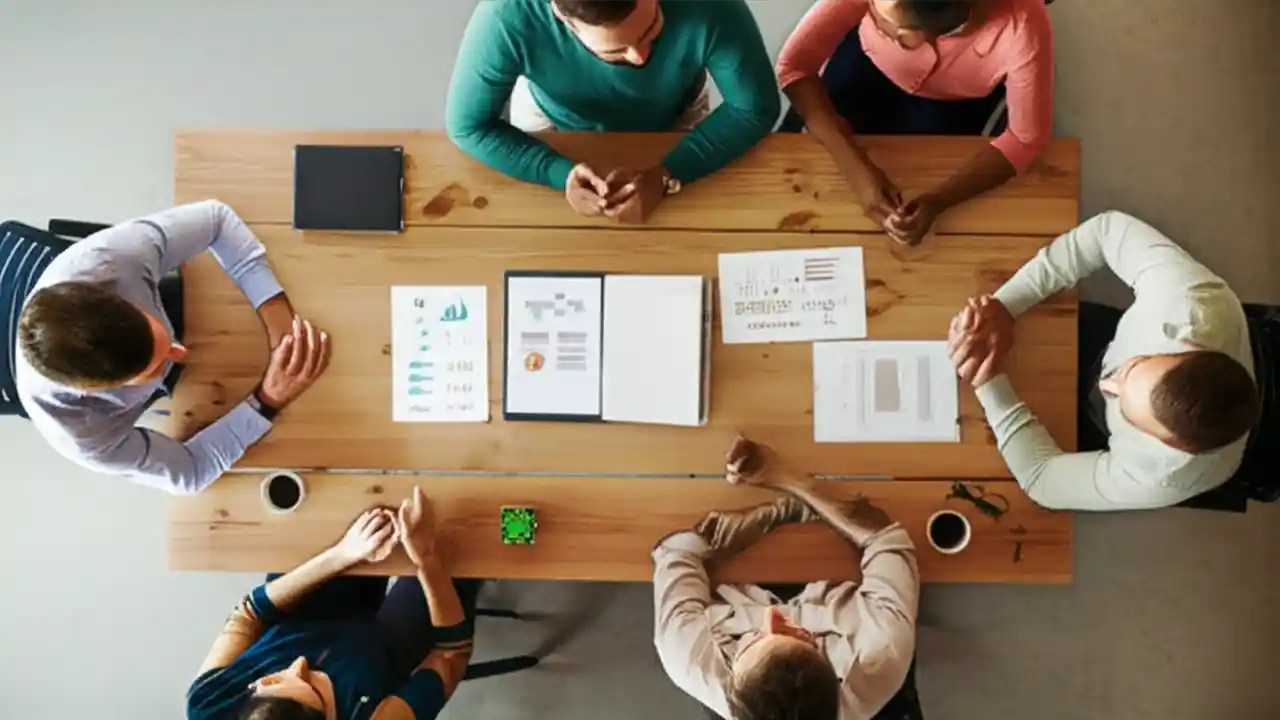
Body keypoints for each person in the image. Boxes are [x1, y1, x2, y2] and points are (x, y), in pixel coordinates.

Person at [945, 211, 1263, 510]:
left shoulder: (1164, 477)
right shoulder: (1187, 298)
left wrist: (986, 380)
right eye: (1135, 366)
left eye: (1124, 405)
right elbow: (1106, 231)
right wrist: (1005, 305)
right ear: (1186, 342)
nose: (1106, 383)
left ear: (1175, 447)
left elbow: (1042, 478)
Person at [15, 200, 331, 494]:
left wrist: (279, 324)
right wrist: (266, 400)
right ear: (97, 390)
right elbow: (191, 472)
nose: (182, 353)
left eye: (161, 338)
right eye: (152, 368)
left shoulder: (111, 260)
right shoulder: (83, 433)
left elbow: (216, 218)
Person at [653, 437, 920, 720]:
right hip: (836, 557)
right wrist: (789, 484)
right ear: (833, 670)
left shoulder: (689, 661)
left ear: (731, 685)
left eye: (753, 641)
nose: (771, 614)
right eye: (798, 634)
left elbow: (675, 554)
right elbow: (884, 538)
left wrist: (754, 522)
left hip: (740, 562)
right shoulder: (880, 656)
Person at [446, 0, 780, 224]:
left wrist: (670, 174)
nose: (639, 58)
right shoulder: (506, 15)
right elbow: (468, 127)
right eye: (616, 49)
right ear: (563, 18)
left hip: (676, 115)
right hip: (550, 121)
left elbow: (755, 109)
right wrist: (554, 172)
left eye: (652, 31)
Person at [187, 487, 478, 720]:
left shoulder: (210, 704)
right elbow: (452, 654)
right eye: (313, 685)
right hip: (385, 648)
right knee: (463, 537)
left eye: (279, 677)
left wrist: (343, 555)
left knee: (342, 492)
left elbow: (248, 613)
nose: (300, 663)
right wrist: (428, 561)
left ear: (261, 686)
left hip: (309, 606)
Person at [776, 0, 1054, 245]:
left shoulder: (1023, 23)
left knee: (936, 178)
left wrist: (939, 201)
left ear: (923, 34)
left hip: (956, 101)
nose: (870, 8)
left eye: (885, 22)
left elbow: (1024, 138)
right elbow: (795, 66)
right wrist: (855, 168)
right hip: (868, 61)